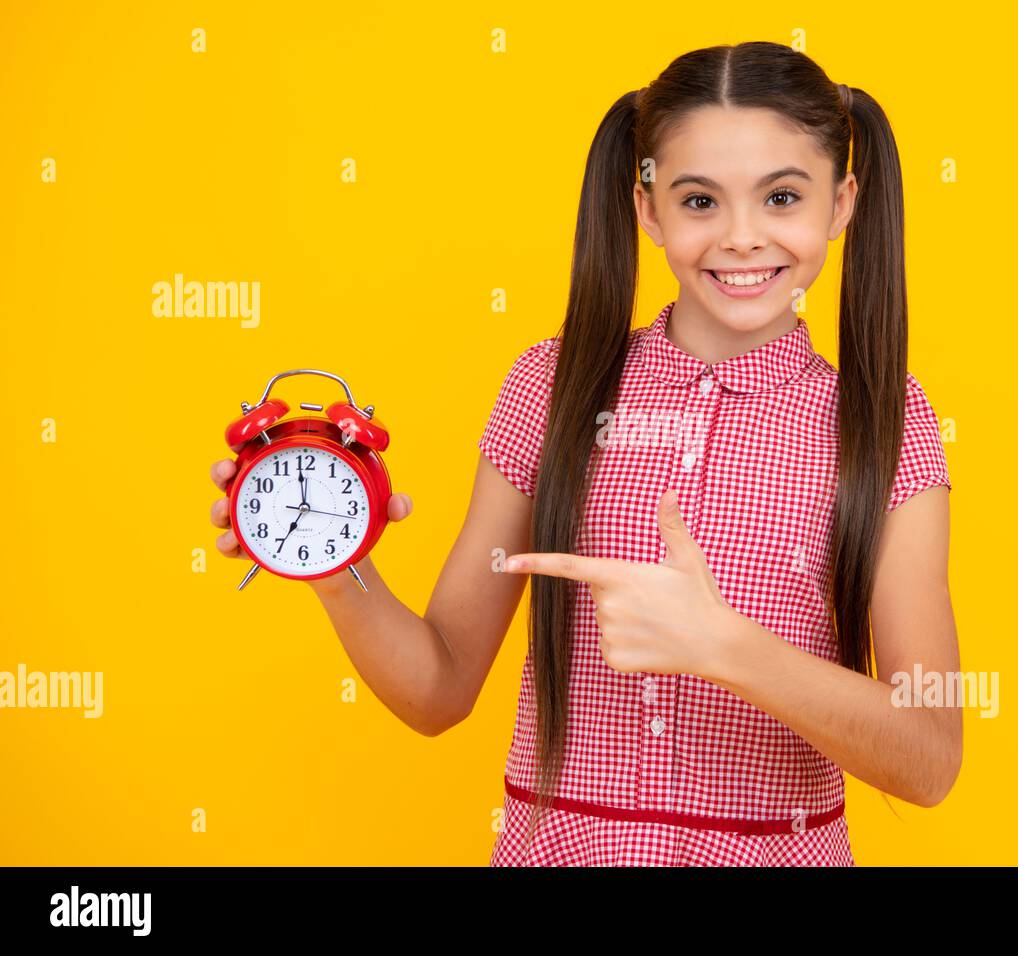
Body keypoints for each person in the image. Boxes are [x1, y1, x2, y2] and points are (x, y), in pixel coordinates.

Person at [208, 39, 960, 866]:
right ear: (647, 209)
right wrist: (329, 558)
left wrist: (722, 645)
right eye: (699, 201)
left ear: (843, 201)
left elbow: (929, 756)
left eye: (782, 196)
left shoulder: (888, 425)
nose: (743, 238)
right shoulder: (552, 387)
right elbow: (439, 688)